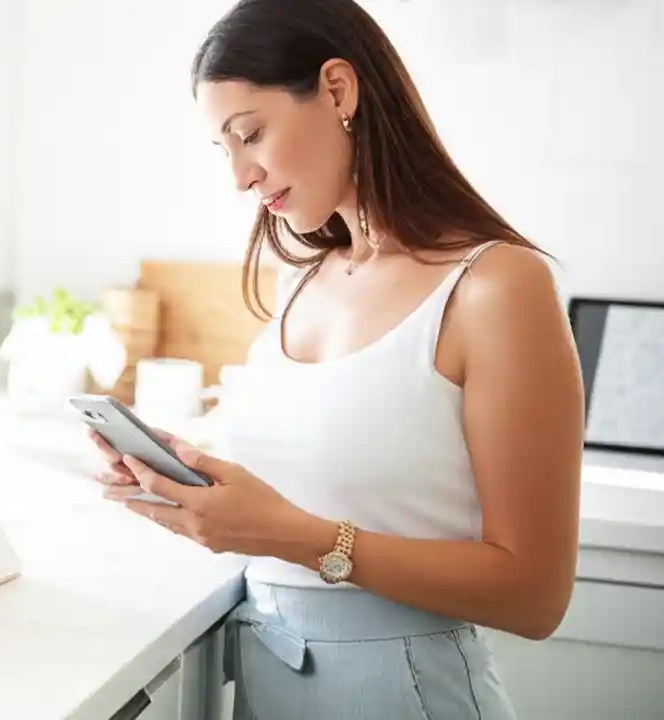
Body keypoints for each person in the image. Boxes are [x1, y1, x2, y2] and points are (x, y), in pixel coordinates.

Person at [88, 1, 583, 717]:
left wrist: (299, 538)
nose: (240, 176)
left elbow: (536, 596)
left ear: (339, 91)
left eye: (250, 134)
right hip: (269, 679)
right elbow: (309, 486)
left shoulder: (496, 286)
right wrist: (182, 479)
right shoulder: (303, 285)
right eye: (222, 149)